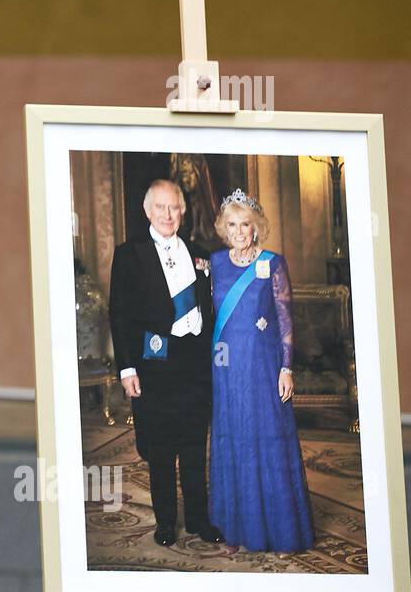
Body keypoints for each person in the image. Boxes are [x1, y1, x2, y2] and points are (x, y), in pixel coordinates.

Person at [109, 178, 224, 547]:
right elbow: (119, 315)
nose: (167, 214)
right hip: (153, 365)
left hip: (193, 364)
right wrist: (126, 368)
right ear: (147, 211)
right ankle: (165, 522)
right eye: (160, 207)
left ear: (183, 211)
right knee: (160, 451)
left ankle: (198, 520)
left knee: (193, 446)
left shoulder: (199, 253)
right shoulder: (130, 254)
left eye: (174, 207)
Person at [208, 189, 315, 552]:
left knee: (266, 437)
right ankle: (236, 527)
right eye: (232, 225)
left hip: (263, 366)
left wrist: (287, 368)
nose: (239, 231)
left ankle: (277, 529)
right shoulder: (215, 264)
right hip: (226, 369)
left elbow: (285, 320)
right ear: (224, 228)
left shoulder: (274, 263)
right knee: (233, 437)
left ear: (257, 228)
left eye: (246, 225)